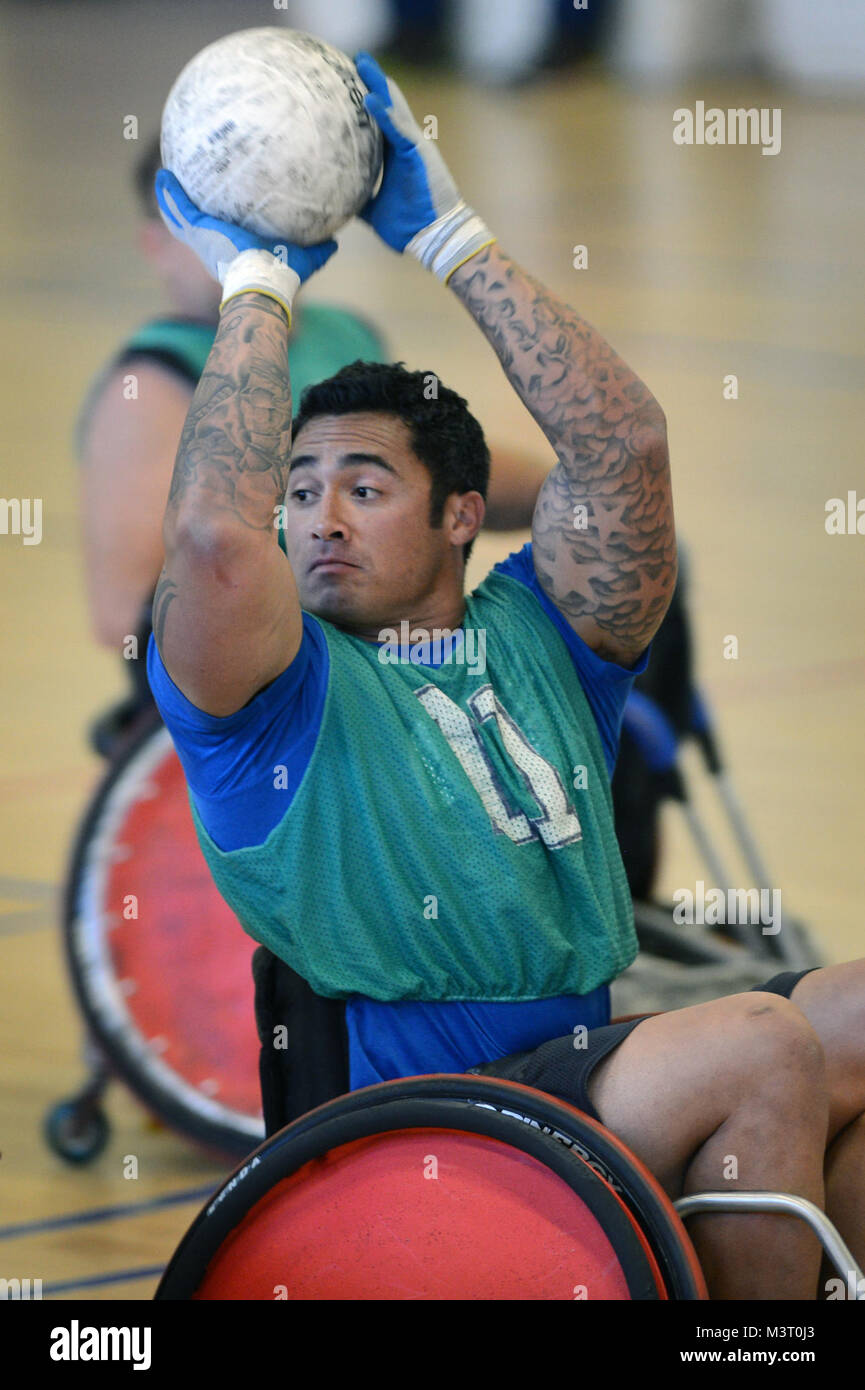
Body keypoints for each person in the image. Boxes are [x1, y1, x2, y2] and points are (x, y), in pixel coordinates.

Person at [146, 54, 864, 1300]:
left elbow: (624, 447)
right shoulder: (269, 701)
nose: (317, 518)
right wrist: (254, 281)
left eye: (363, 488)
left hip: (580, 1069)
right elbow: (215, 535)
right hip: (421, 1127)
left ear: (462, 516)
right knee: (758, 1040)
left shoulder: (536, 634)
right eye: (300, 492)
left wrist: (451, 235)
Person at [76, 135, 547, 728]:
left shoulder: (344, 332)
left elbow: (427, 470)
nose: (233, 245)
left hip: (375, 658)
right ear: (156, 247)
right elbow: (124, 613)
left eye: (247, 215)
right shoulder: (151, 381)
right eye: (203, 230)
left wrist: (571, 501)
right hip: (262, 700)